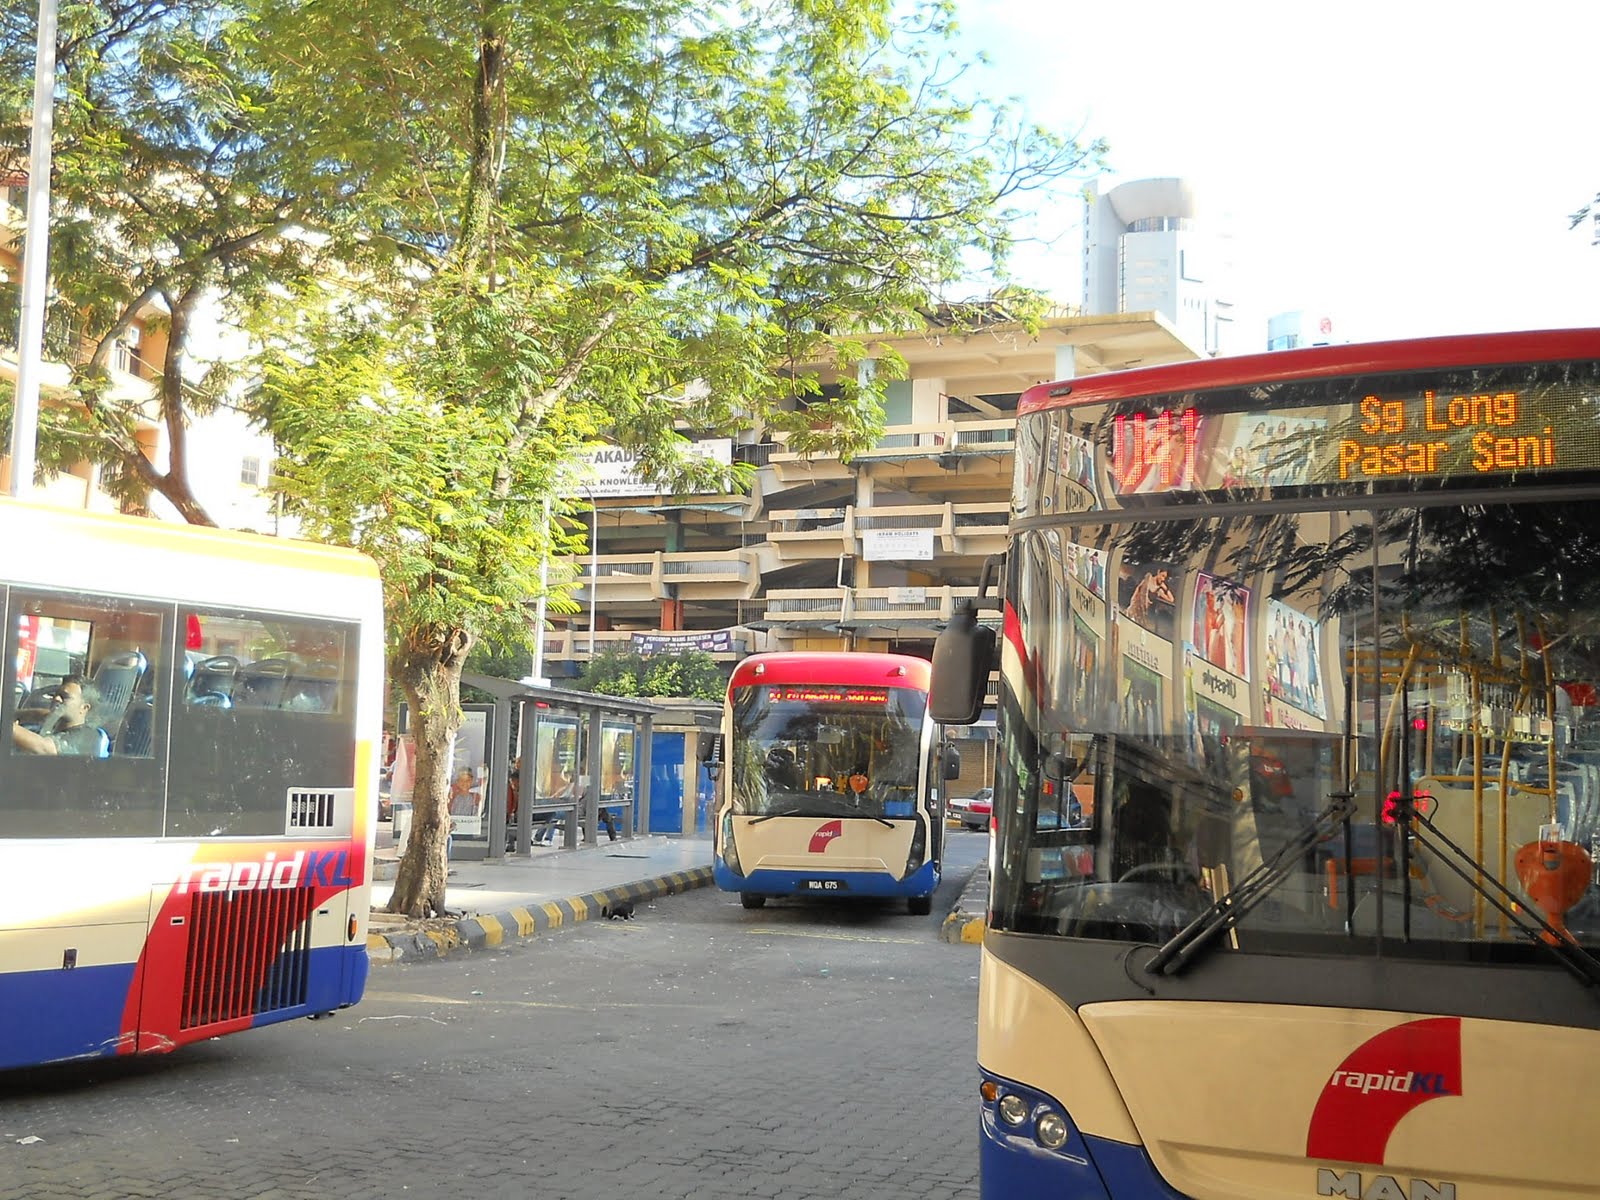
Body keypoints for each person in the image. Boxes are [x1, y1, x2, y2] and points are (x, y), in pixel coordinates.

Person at [11, 677, 103, 756]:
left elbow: (44, 748)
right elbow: (40, 714)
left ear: (84, 708)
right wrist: (14, 714)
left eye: (65, 696)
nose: (56, 698)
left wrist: (7, 725)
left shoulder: (86, 737)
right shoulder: (57, 720)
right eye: (56, 694)